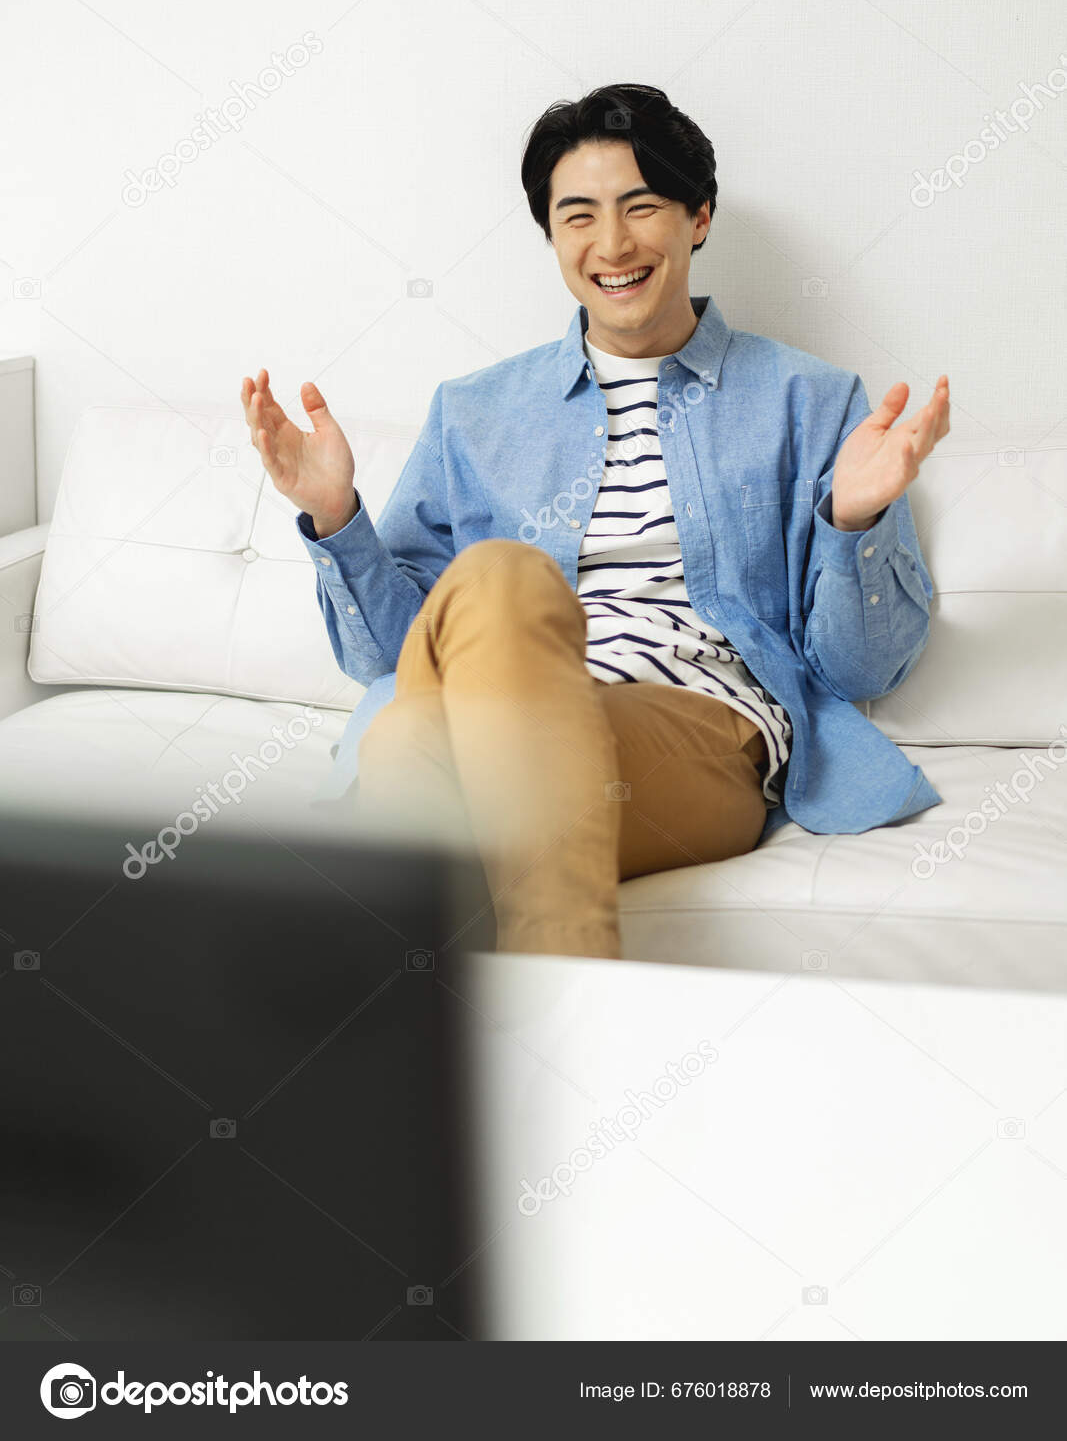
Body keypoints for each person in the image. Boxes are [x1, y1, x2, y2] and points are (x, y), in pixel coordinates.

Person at [240, 83, 950, 960]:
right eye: (577, 216)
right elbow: (391, 659)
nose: (610, 244)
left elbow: (856, 667)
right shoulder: (474, 412)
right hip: (474, 710)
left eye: (640, 207)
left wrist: (856, 517)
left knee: (408, 753)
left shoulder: (808, 400)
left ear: (698, 217)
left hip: (686, 727)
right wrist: (336, 518)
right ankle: (564, 1000)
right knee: (492, 596)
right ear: (550, 235)